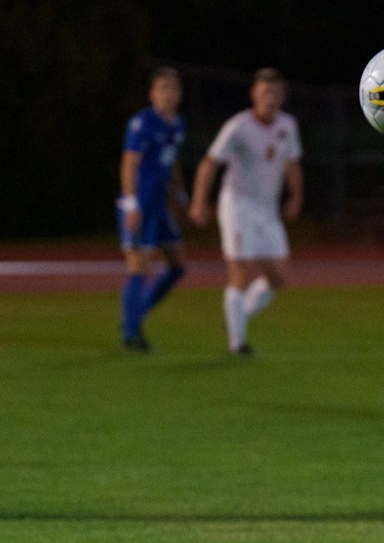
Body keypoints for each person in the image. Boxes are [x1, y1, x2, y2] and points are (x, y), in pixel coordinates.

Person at [190, 68, 302, 355]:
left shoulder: (288, 125)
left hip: (268, 209)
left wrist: (296, 195)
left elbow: (291, 162)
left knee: (278, 277)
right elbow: (209, 163)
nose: (271, 98)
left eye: (276, 93)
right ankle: (237, 342)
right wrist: (199, 201)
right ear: (254, 94)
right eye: (265, 92)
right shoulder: (238, 126)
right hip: (238, 205)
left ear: (283, 96)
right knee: (240, 270)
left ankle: (239, 313)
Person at [118, 66, 189, 351]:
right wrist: (132, 204)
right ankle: (131, 334)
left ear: (179, 94)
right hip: (140, 204)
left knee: (177, 265)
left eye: (172, 89)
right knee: (139, 267)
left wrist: (181, 194)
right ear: (151, 94)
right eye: (162, 89)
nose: (168, 94)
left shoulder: (178, 124)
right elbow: (129, 164)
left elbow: (171, 162)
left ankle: (136, 314)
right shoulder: (141, 123)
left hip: (160, 206)